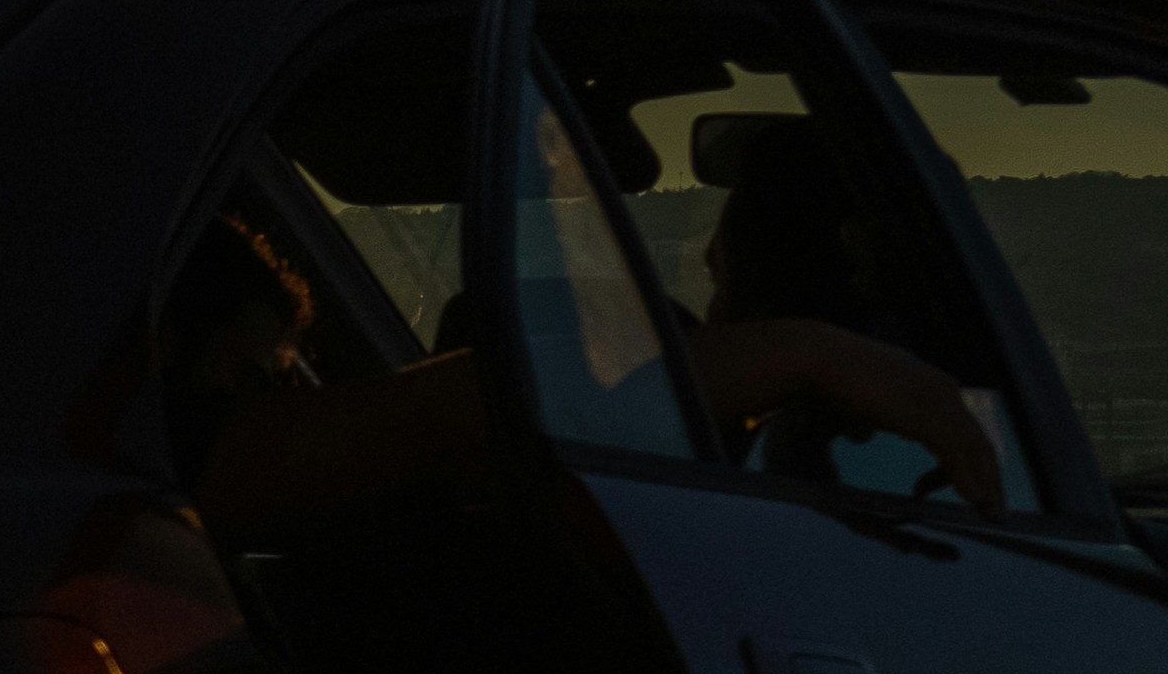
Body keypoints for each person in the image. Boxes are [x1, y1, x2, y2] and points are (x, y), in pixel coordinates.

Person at [171, 207, 999, 539]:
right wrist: (813, 353)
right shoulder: (169, 465)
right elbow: (442, 412)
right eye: (268, 380)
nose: (300, 405)